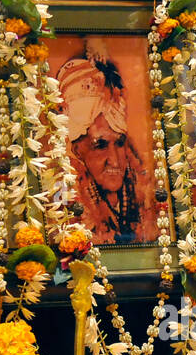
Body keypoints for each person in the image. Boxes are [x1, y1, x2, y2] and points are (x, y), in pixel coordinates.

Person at [57, 40, 155, 244]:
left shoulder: (144, 194)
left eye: (119, 143)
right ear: (75, 149)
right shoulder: (62, 209)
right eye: (100, 145)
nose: (115, 160)